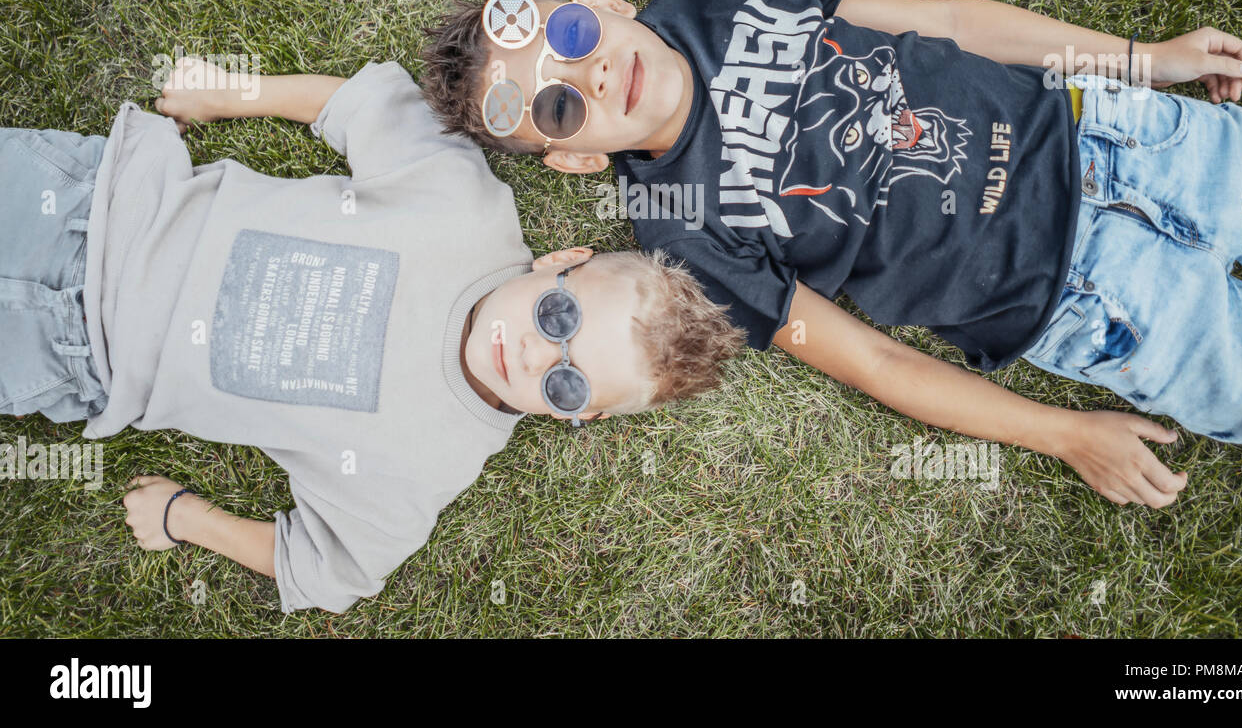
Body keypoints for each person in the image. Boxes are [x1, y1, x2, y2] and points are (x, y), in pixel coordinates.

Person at [417, 0, 1242, 508]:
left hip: (1113, 130)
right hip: (1083, 301)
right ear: (574, 159)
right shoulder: (675, 231)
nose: (595, 77)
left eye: (571, 39)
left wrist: (1145, 60)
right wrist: (1065, 434)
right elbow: (875, 361)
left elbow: (947, 22)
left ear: (599, 4)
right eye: (561, 109)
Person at [0, 56, 744, 612]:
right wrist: (231, 93)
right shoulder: (466, 207)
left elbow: (324, 571)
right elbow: (360, 105)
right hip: (94, 199)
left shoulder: (421, 471)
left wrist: (184, 518)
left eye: (567, 379)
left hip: (71, 355)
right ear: (562, 262)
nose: (530, 353)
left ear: (579, 414)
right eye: (560, 318)